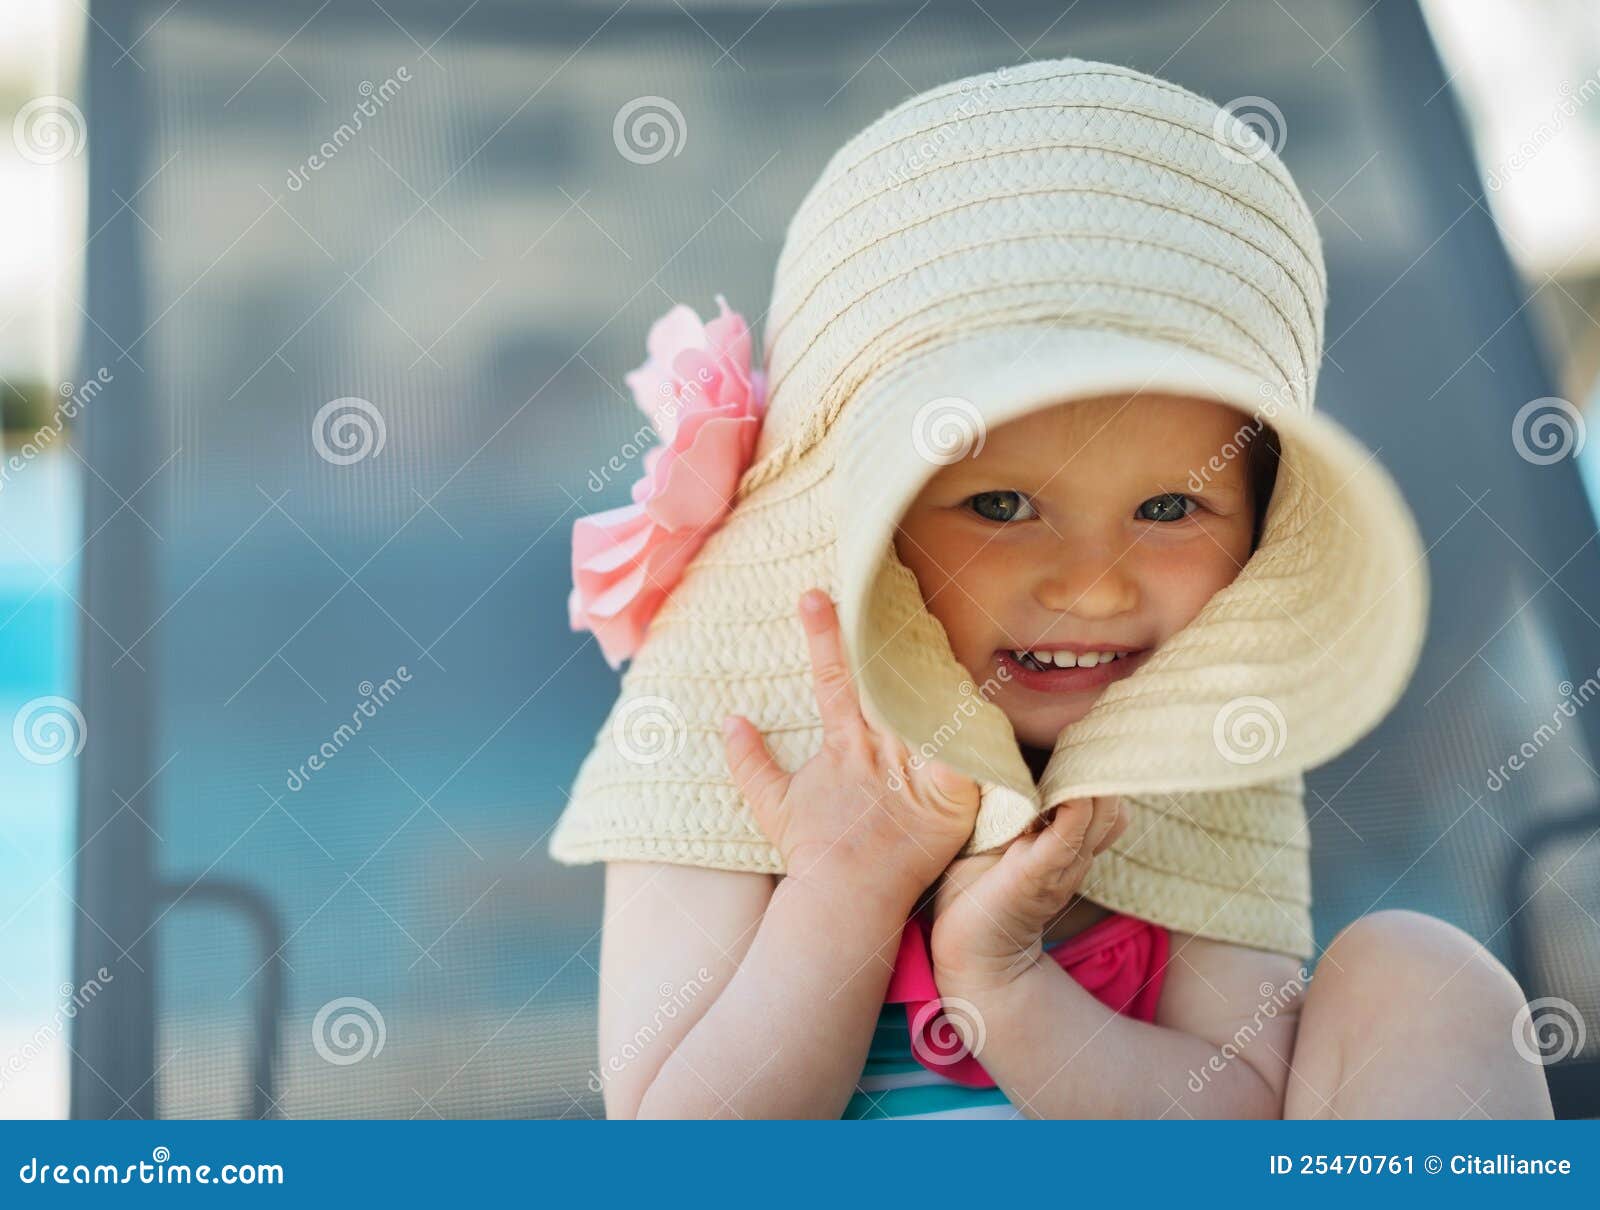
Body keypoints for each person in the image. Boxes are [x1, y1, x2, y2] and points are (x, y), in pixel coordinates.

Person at [557, 57, 1555, 1120]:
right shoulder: (741, 748)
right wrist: (843, 890)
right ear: (863, 524)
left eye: (1170, 509)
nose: (1090, 588)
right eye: (998, 507)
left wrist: (1005, 983)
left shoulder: (1199, 748)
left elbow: (1234, 1128)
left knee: (1423, 977)